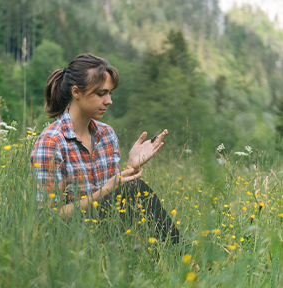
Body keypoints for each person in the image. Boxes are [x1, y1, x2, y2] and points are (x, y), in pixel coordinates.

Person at [30, 53, 179, 244]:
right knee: (137, 190)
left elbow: (116, 197)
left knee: (135, 189)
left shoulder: (107, 134)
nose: (108, 101)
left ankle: (182, 260)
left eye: (110, 93)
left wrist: (131, 168)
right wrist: (104, 191)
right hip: (68, 240)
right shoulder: (52, 142)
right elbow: (46, 217)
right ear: (76, 92)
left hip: (105, 231)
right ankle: (187, 260)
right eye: (101, 94)